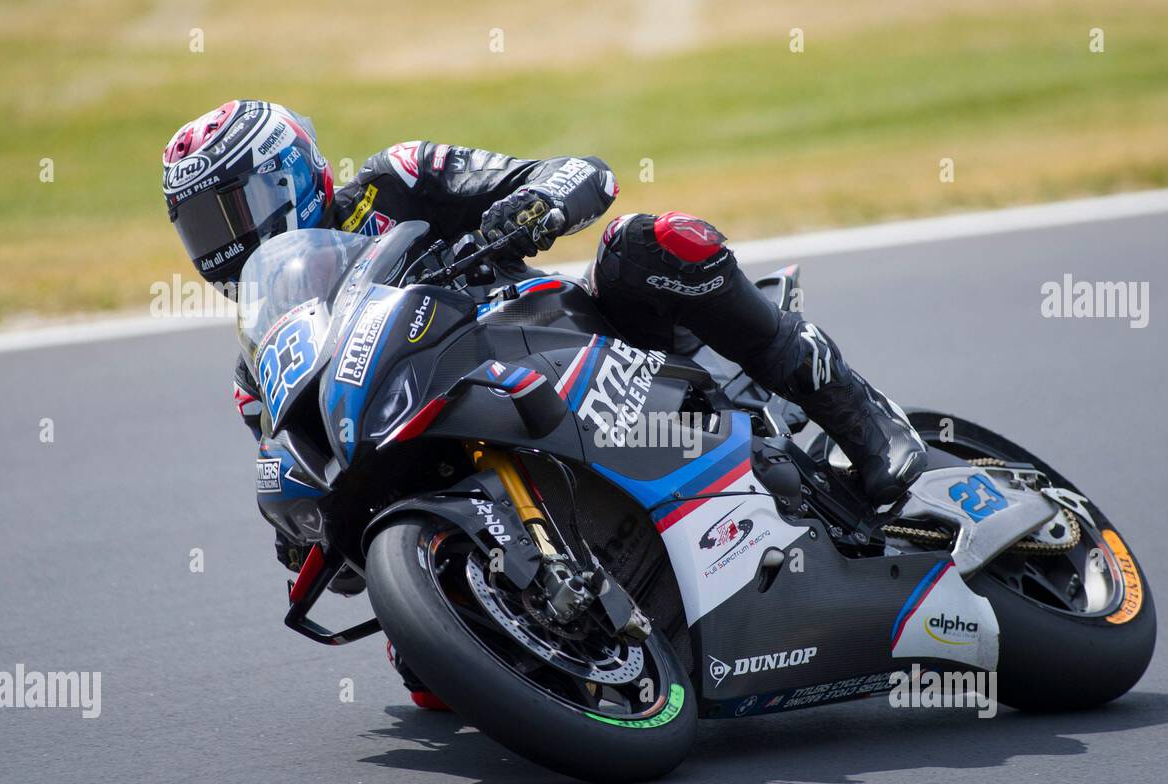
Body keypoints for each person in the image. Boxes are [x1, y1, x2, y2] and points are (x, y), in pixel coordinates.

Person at [163, 99, 927, 706]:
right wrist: (305, 531)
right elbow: (308, 464)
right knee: (429, 682)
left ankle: (859, 415)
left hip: (553, 342)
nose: (223, 243)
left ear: (290, 171)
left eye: (235, 209)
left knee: (648, 243)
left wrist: (528, 209)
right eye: (203, 228)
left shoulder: (396, 179)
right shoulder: (258, 359)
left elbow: (579, 173)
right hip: (442, 451)